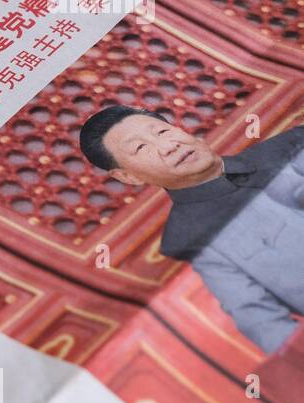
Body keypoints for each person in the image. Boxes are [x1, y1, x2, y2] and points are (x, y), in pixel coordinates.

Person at [79, 105, 304, 355]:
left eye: (162, 132)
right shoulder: (187, 238)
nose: (169, 146)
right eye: (141, 148)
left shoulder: (291, 145)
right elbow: (261, 321)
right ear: (127, 176)